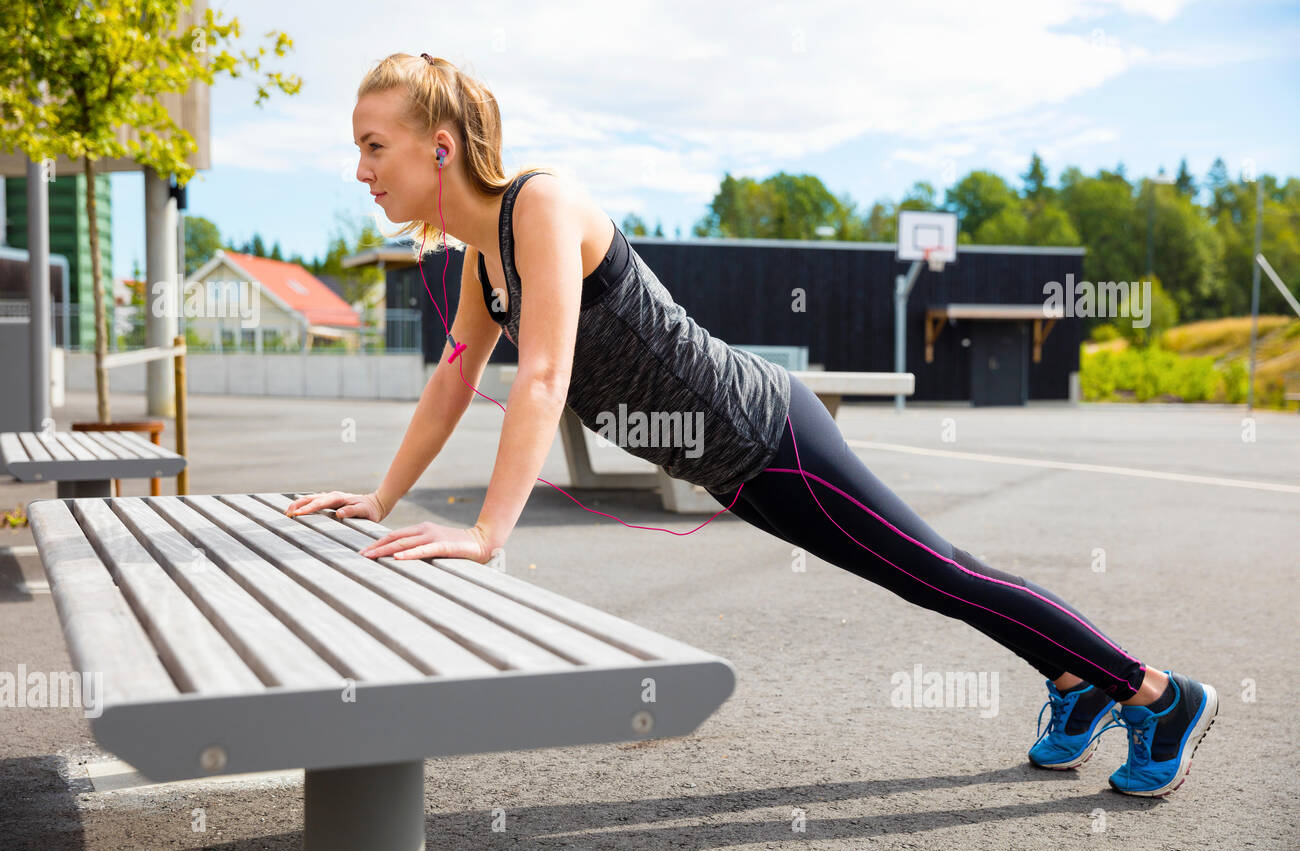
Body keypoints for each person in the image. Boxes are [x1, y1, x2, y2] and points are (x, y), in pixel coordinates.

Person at [285, 53, 1216, 798]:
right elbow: (455, 376)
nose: (360, 171)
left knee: (939, 574)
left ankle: (1158, 695)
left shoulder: (541, 205)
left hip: (773, 439)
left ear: (439, 147)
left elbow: (544, 374)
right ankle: (1073, 683)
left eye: (373, 147)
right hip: (736, 469)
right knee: (925, 582)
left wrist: (489, 533)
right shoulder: (483, 263)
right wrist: (380, 497)